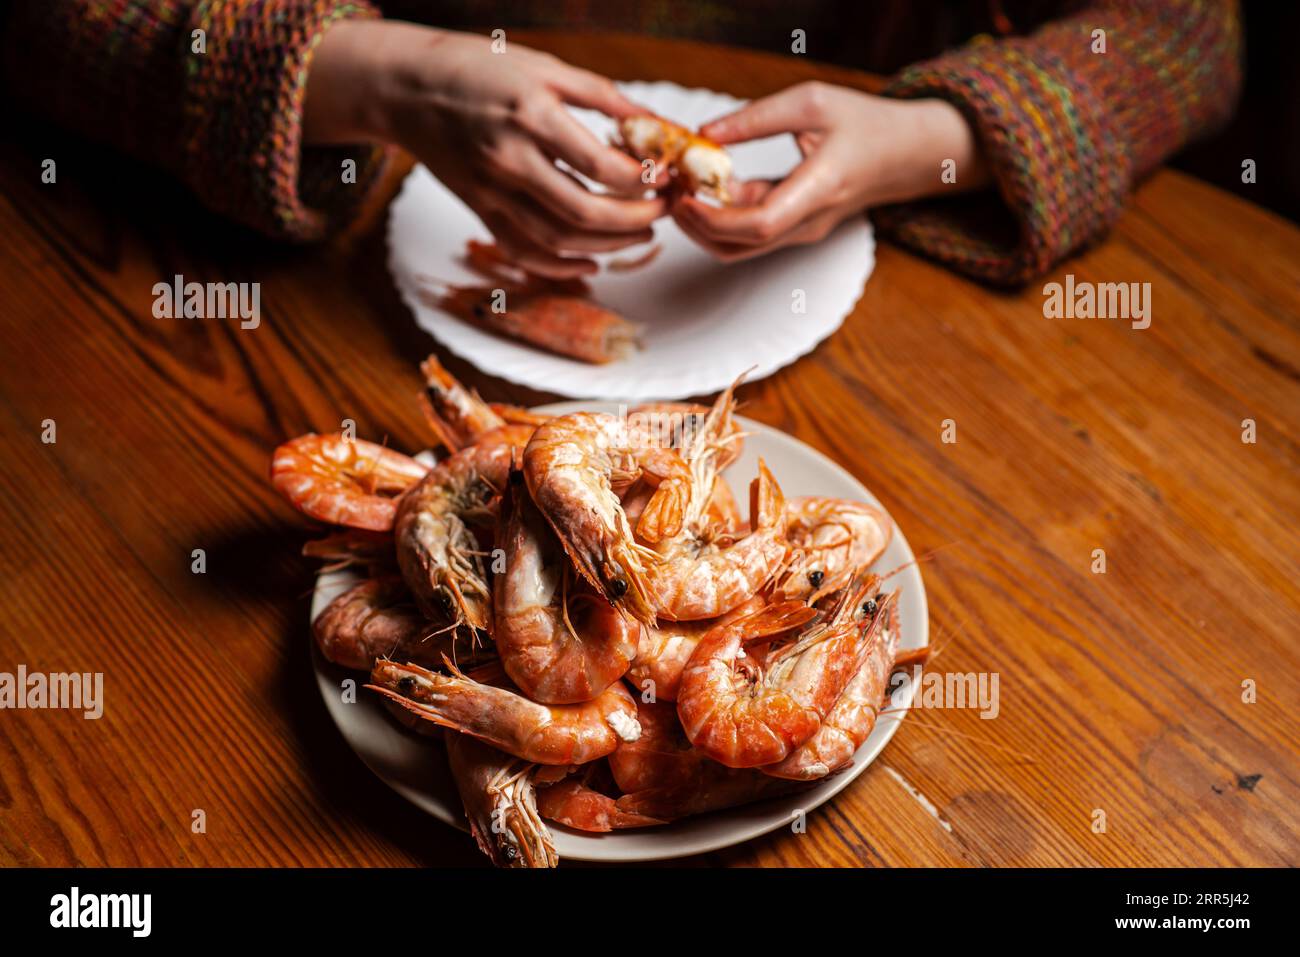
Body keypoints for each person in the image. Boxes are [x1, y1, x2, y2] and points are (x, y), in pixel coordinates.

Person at [2, 1, 1240, 285]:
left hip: (903, 297)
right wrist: (370, 76)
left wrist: (942, 133)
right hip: (297, 260)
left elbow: (1204, 27)